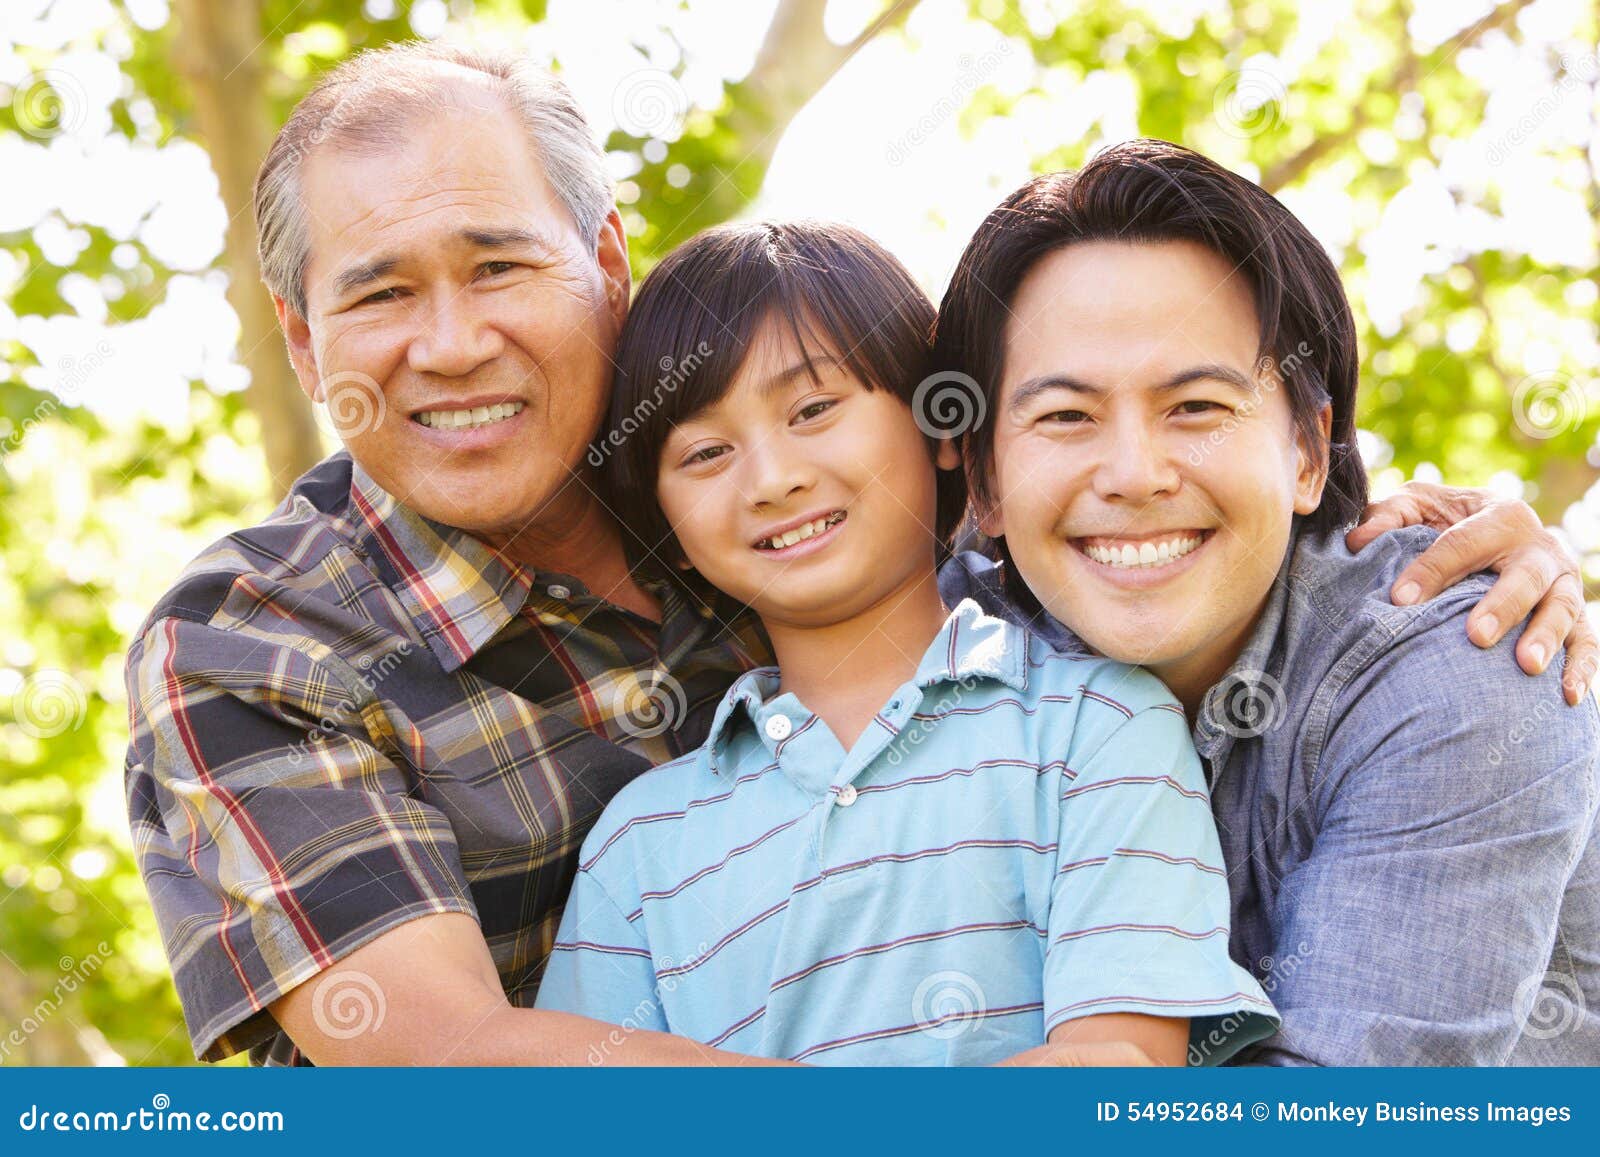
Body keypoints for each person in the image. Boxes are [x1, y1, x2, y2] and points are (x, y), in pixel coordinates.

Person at [121, 40, 1590, 1066]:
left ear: (607, 263)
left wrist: (1469, 529)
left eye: (500, 262)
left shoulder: (883, 554)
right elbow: (433, 1062)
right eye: (379, 295)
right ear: (306, 343)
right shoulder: (259, 643)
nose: (452, 341)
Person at [534, 220, 1277, 1065]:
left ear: (945, 427)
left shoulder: (1098, 729)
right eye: (705, 452)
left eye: (814, 409)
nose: (773, 478)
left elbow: (1113, 1075)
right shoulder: (640, 838)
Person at [933, 138, 1600, 1064]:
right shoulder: (939, 647)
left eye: (1198, 406)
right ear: (987, 483)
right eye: (1064, 416)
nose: (1133, 474)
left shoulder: (1464, 671)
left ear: (1308, 451)